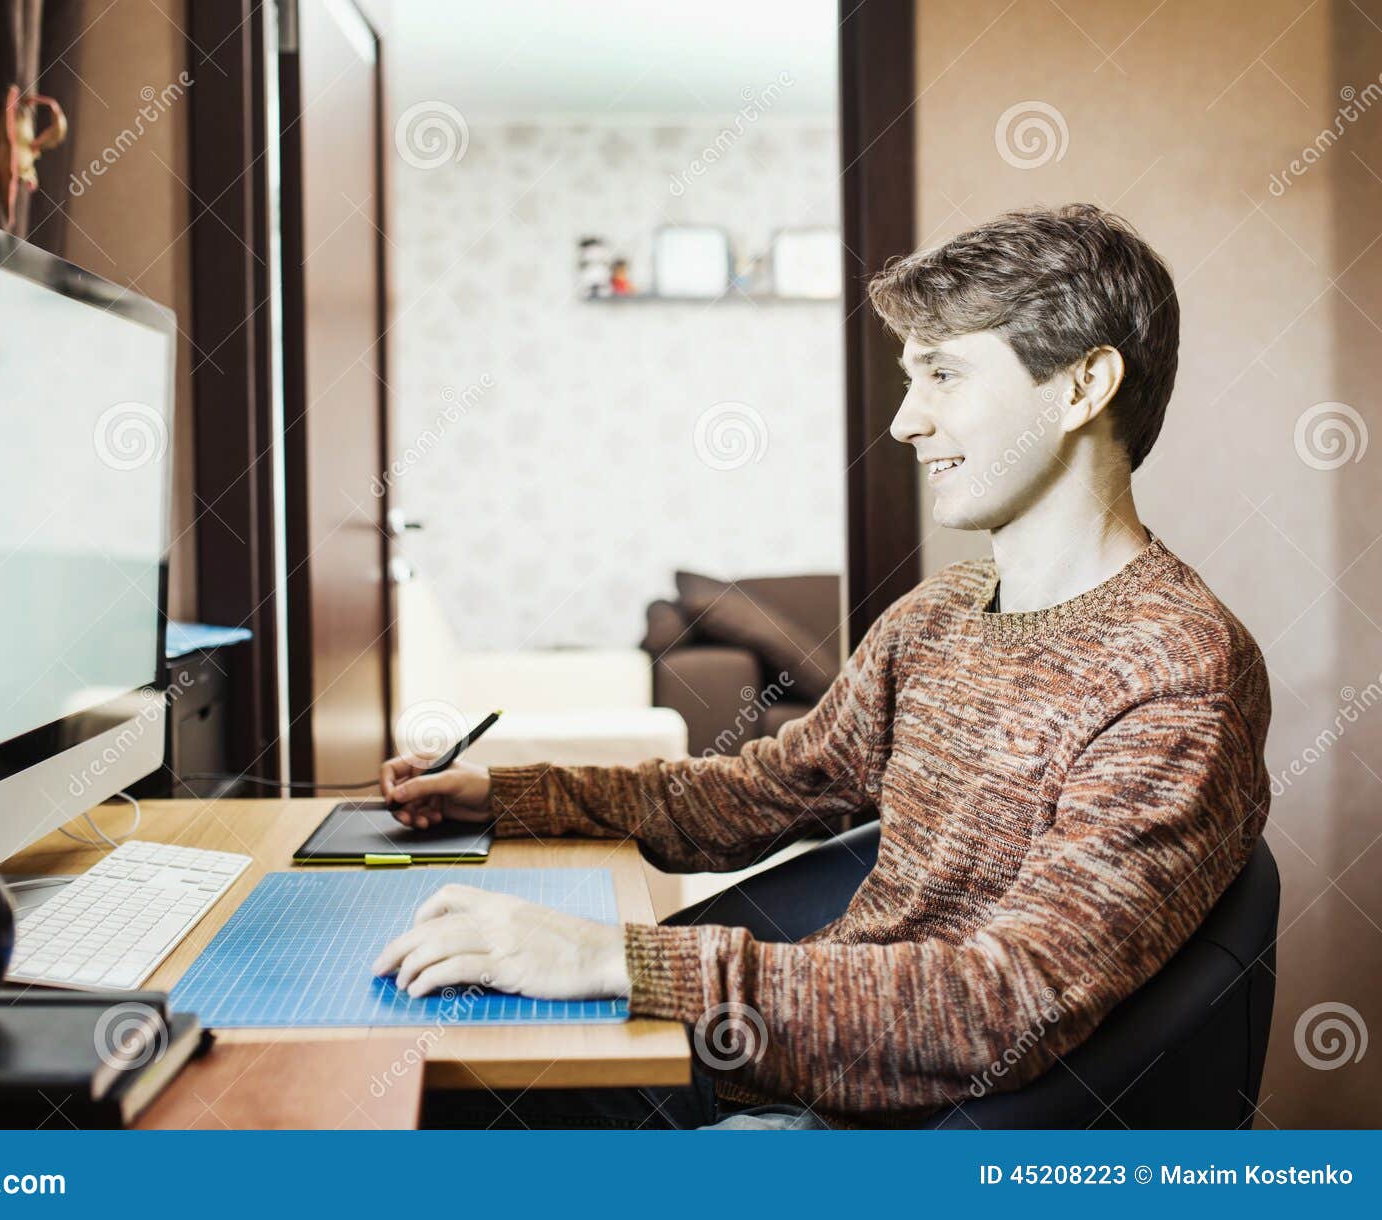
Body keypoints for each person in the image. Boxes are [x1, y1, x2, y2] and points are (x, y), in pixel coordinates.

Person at [373, 203, 1272, 1130]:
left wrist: (612, 958)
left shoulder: (1178, 676)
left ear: (1083, 386)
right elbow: (766, 792)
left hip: (876, 1132)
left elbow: (1002, 1004)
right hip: (779, 1067)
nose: (905, 422)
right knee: (422, 1083)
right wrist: (514, 796)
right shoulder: (939, 614)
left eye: (944, 374)